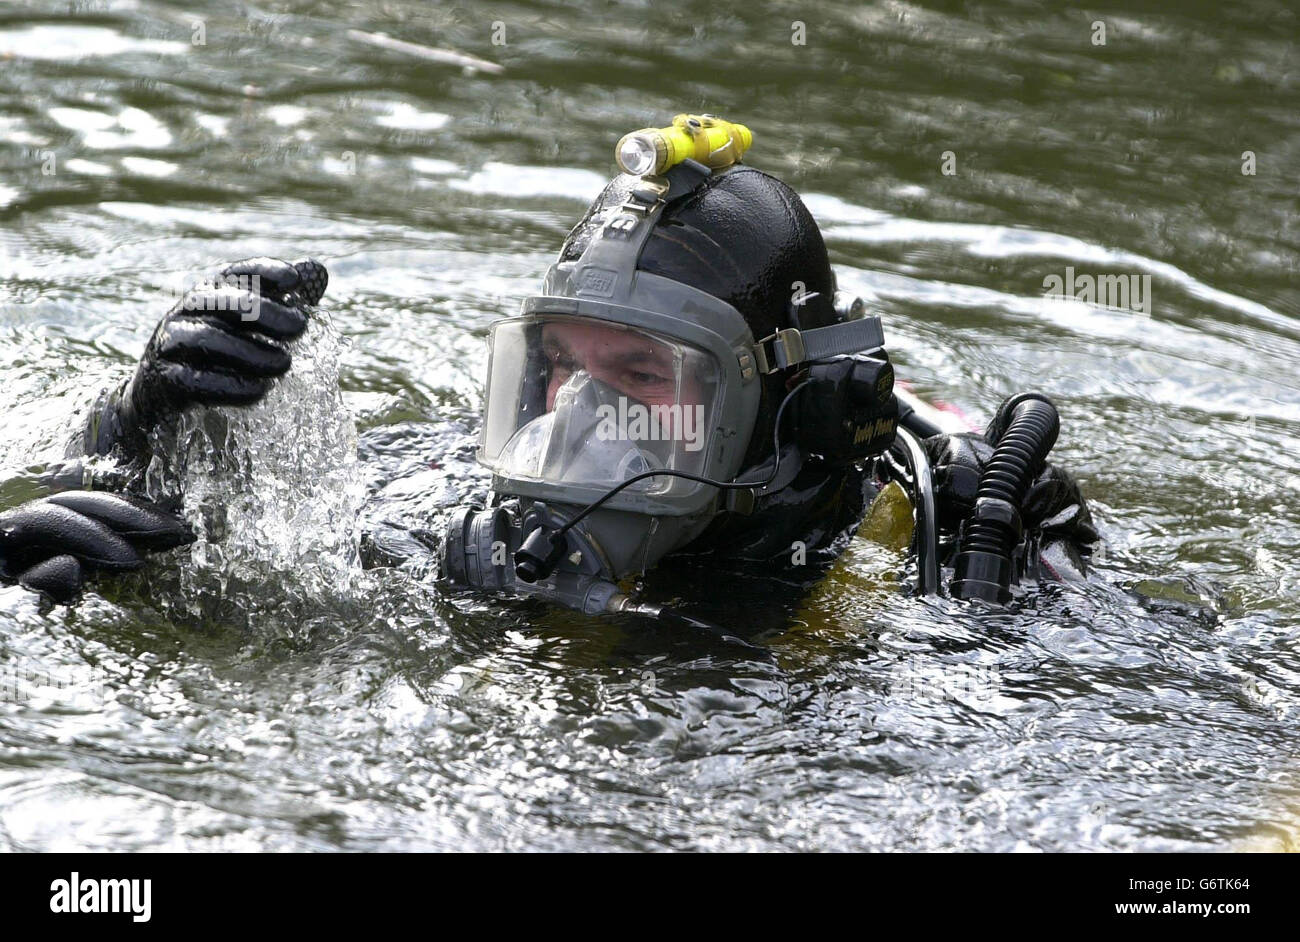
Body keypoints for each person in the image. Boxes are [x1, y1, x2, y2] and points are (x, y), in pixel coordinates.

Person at [0, 140, 1098, 620]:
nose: (582, 411)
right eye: (562, 364)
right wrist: (145, 424)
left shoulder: (937, 572)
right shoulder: (471, 505)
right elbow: (278, 561)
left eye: (643, 374)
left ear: (785, 412)